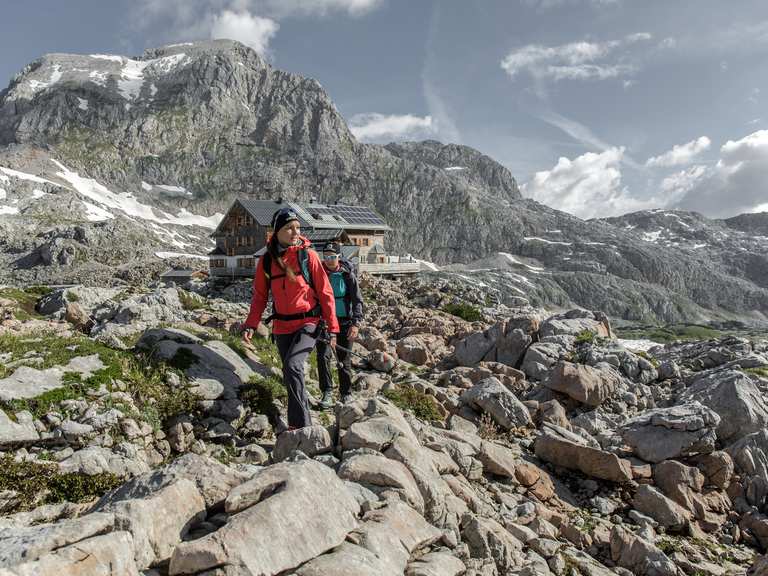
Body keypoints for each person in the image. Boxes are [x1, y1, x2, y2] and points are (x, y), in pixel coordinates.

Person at [242, 207, 339, 431]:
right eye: (289, 228)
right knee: (290, 373)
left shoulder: (309, 256)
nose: (296, 232)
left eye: (297, 227)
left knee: (293, 366)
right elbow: (259, 296)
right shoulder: (266, 262)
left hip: (309, 323)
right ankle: (303, 416)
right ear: (277, 232)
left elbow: (325, 292)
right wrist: (251, 324)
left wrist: (333, 329)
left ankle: (301, 428)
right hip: (282, 327)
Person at [316, 241, 364, 408]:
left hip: (345, 322)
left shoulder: (347, 275)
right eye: (326, 256)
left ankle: (346, 393)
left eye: (333, 257)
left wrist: (356, 323)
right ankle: (327, 392)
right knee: (323, 356)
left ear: (339, 257)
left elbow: (357, 300)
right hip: (324, 322)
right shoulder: (318, 274)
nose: (329, 260)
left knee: (345, 359)